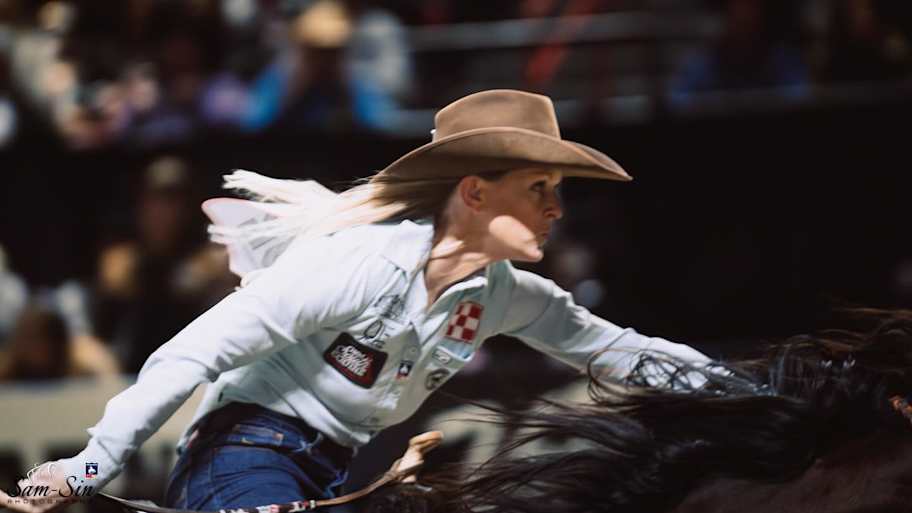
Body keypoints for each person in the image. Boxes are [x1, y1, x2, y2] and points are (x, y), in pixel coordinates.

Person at [0, 89, 713, 512]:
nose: (557, 209)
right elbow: (194, 351)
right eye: (539, 188)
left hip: (336, 471)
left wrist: (750, 388)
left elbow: (619, 349)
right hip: (241, 455)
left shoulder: (502, 297)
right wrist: (86, 466)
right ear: (474, 192)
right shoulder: (359, 264)